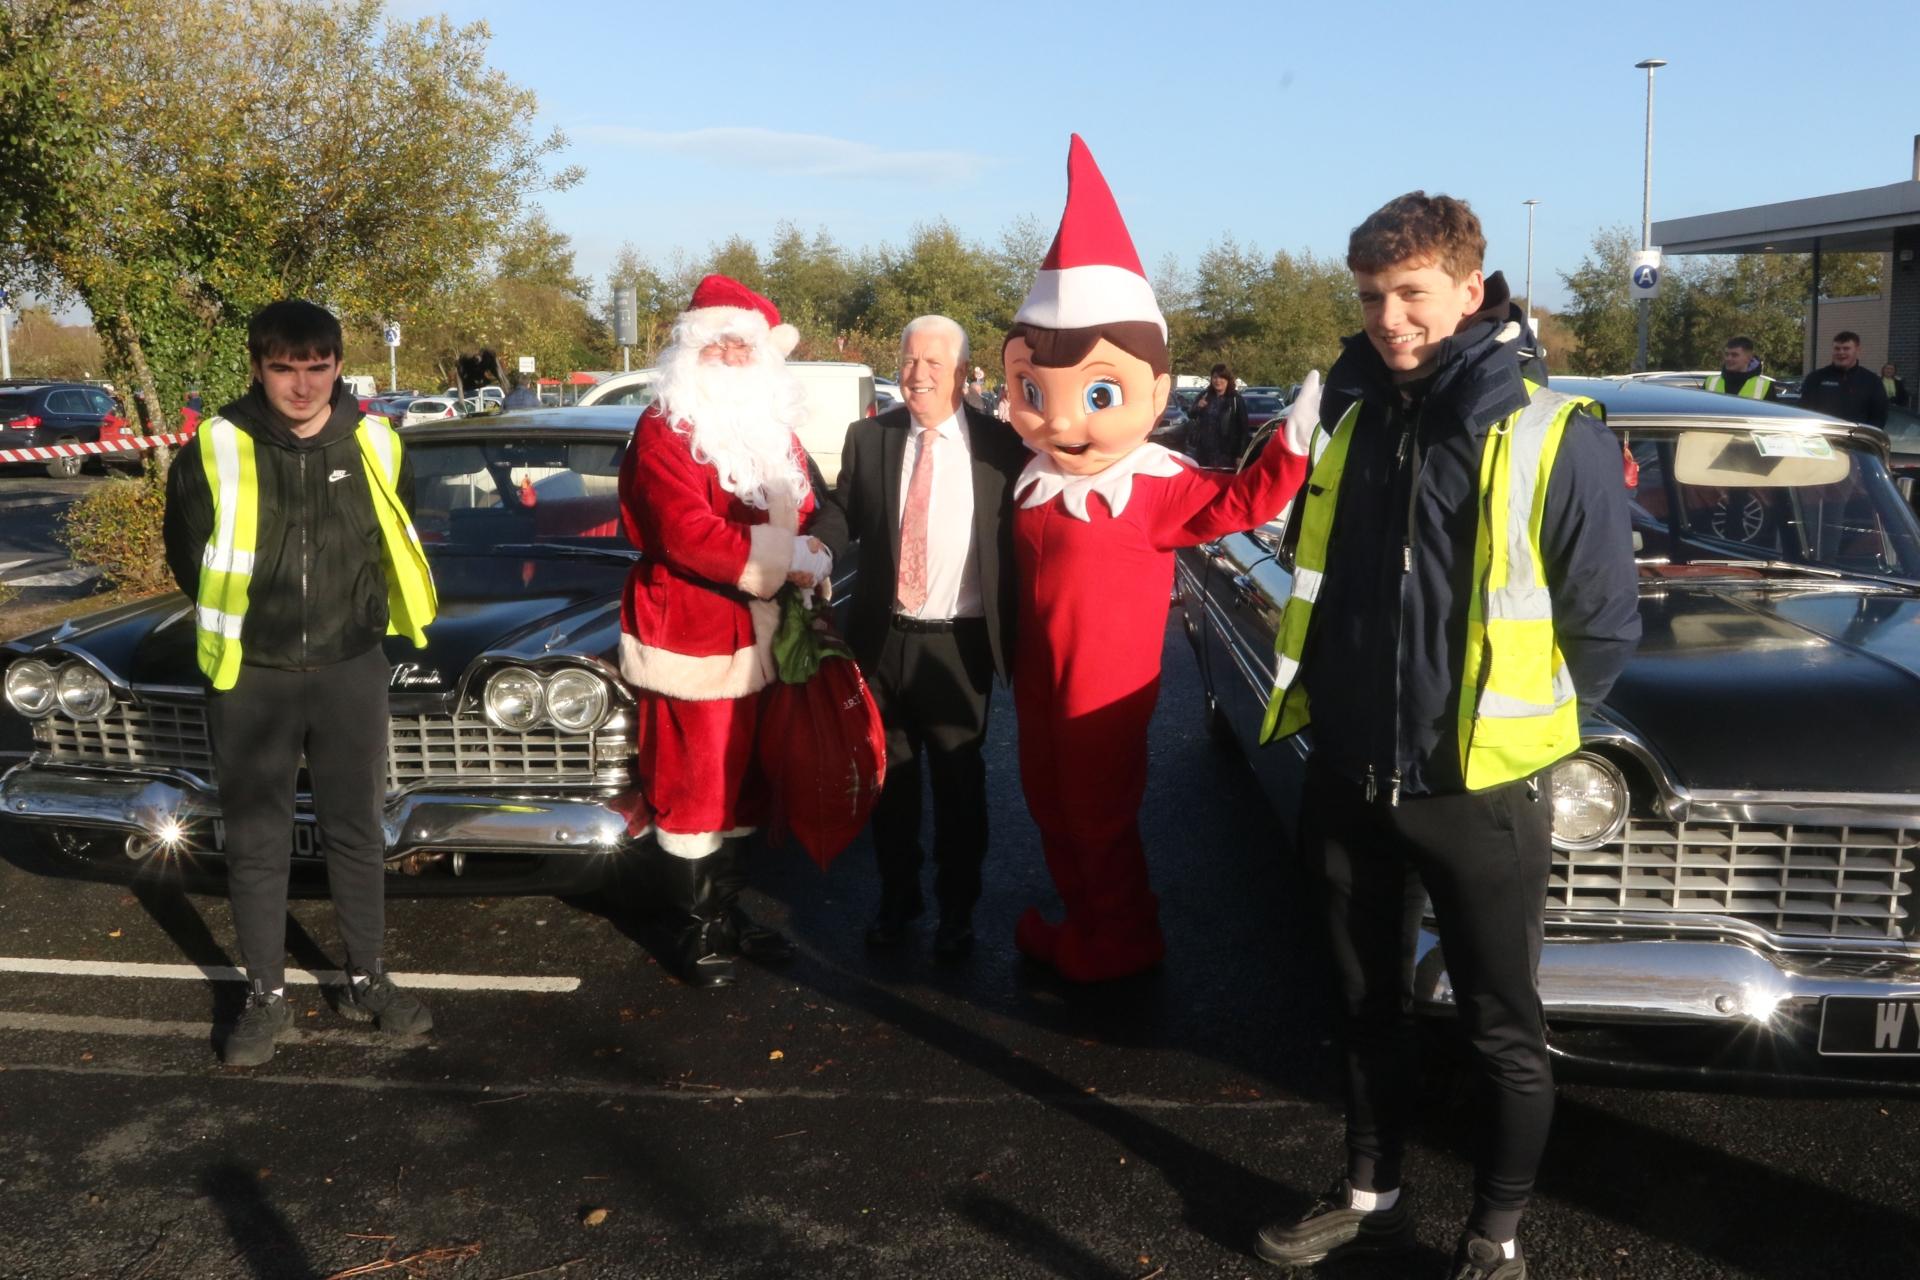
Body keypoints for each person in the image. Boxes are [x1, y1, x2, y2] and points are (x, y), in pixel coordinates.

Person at [1251, 193, 1640, 1280]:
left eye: (1412, 292)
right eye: (1373, 295)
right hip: (1348, 775)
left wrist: (1509, 743)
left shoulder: (1554, 434)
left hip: (1480, 793)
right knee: (1365, 1004)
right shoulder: (1355, 417)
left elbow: (1603, 631)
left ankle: (1497, 1235)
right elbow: (1319, 581)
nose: (1390, 317)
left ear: (1471, 292)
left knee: (1502, 1031)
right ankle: (1370, 1194)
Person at [1003, 136, 1310, 983]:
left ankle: (1124, 936)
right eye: (1037, 392)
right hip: (1036, 678)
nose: (1063, 422)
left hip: (1105, 688)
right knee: (1049, 806)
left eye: (1096, 394)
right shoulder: (1028, 474)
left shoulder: (1152, 483)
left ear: (1153, 387)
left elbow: (1241, 503)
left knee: (1099, 814)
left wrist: (1291, 442)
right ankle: (1083, 920)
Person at [162, 299, 439, 1067]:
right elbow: (186, 551)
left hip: (351, 666)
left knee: (356, 831)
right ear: (258, 367)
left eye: (318, 367)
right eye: (285, 367)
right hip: (253, 674)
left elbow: (397, 533)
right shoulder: (216, 444)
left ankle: (365, 979)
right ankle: (266, 998)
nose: (302, 384)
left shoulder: (379, 441)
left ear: (339, 366)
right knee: (256, 841)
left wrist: (356, 618)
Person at [615, 274, 847, 989]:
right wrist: (788, 559)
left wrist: (819, 548)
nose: (727, 353)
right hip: (694, 632)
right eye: (713, 341)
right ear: (688, 350)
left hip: (768, 638)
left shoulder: (774, 434)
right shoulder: (666, 428)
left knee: (746, 786)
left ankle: (727, 908)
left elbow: (817, 509)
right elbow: (685, 534)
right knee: (693, 786)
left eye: (740, 342)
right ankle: (695, 927)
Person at [835, 316, 1027, 959]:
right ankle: (897, 901)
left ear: (963, 372)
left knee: (959, 788)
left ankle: (957, 910)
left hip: (959, 647)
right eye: (908, 359)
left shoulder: (1002, 447)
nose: (916, 374)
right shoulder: (869, 438)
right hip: (882, 640)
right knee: (890, 787)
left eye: (933, 364)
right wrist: (807, 539)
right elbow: (844, 517)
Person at [1798, 331, 1888, 426]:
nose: (1841, 352)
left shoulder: (1872, 381)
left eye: (1846, 348)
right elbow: (1804, 412)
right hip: (1821, 437)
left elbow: (1879, 417)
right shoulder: (1815, 378)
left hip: (1857, 439)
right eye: (1837, 348)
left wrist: (1863, 437)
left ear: (1857, 350)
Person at [1187, 363, 1250, 467]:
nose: (1218, 381)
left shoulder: (1235, 399)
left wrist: (1241, 454)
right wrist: (1198, 407)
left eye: (1221, 377)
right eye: (1215, 377)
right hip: (1204, 452)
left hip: (1226, 453)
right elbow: (1190, 414)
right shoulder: (1205, 395)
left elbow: (1244, 429)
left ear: (1227, 380)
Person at [1704, 337, 1775, 400]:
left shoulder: (1764, 386)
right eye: (1727, 354)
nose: (1728, 358)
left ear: (1749, 358)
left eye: (1734, 355)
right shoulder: (1710, 382)